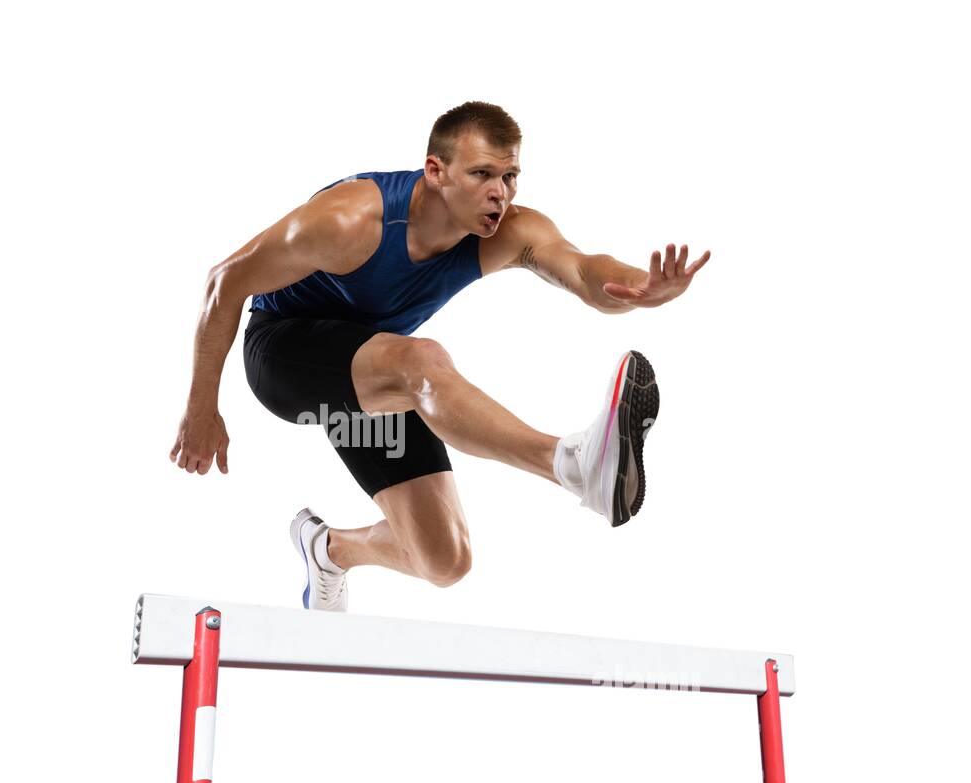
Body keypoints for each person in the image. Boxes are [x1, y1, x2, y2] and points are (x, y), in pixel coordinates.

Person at [169, 101, 709, 611]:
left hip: (374, 374)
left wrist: (645, 286)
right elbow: (224, 283)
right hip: (286, 354)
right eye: (481, 175)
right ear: (435, 170)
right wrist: (201, 409)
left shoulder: (512, 232)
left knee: (445, 559)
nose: (500, 192)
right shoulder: (350, 220)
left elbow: (587, 273)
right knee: (421, 361)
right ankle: (571, 466)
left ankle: (328, 551)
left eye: (510, 176)